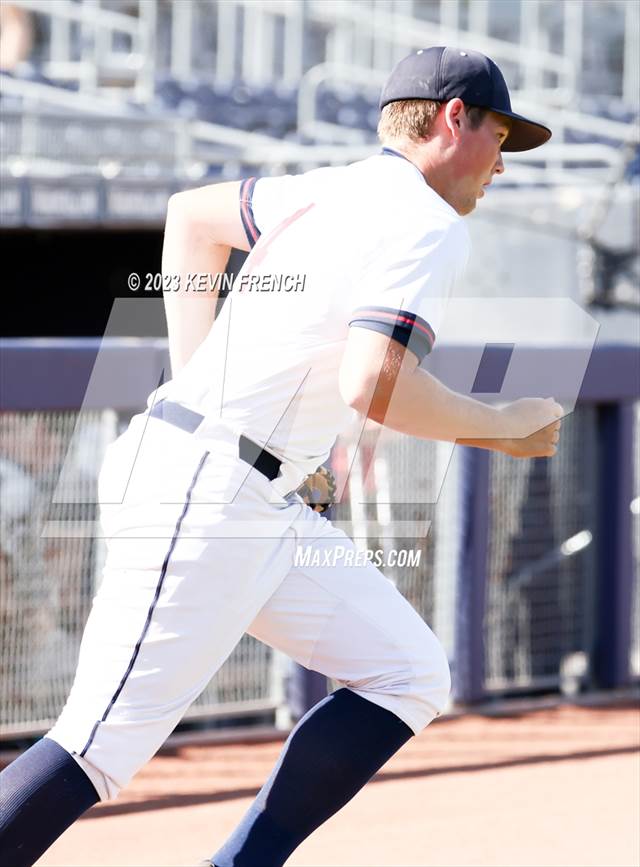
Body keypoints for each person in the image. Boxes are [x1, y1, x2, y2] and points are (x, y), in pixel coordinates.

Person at [0, 46, 561, 867]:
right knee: (97, 743)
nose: (503, 164)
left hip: (238, 486)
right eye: (500, 135)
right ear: (451, 119)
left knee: (407, 671)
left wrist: (212, 401)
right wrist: (502, 424)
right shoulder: (427, 221)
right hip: (206, 493)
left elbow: (192, 218)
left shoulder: (334, 186)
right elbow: (373, 380)